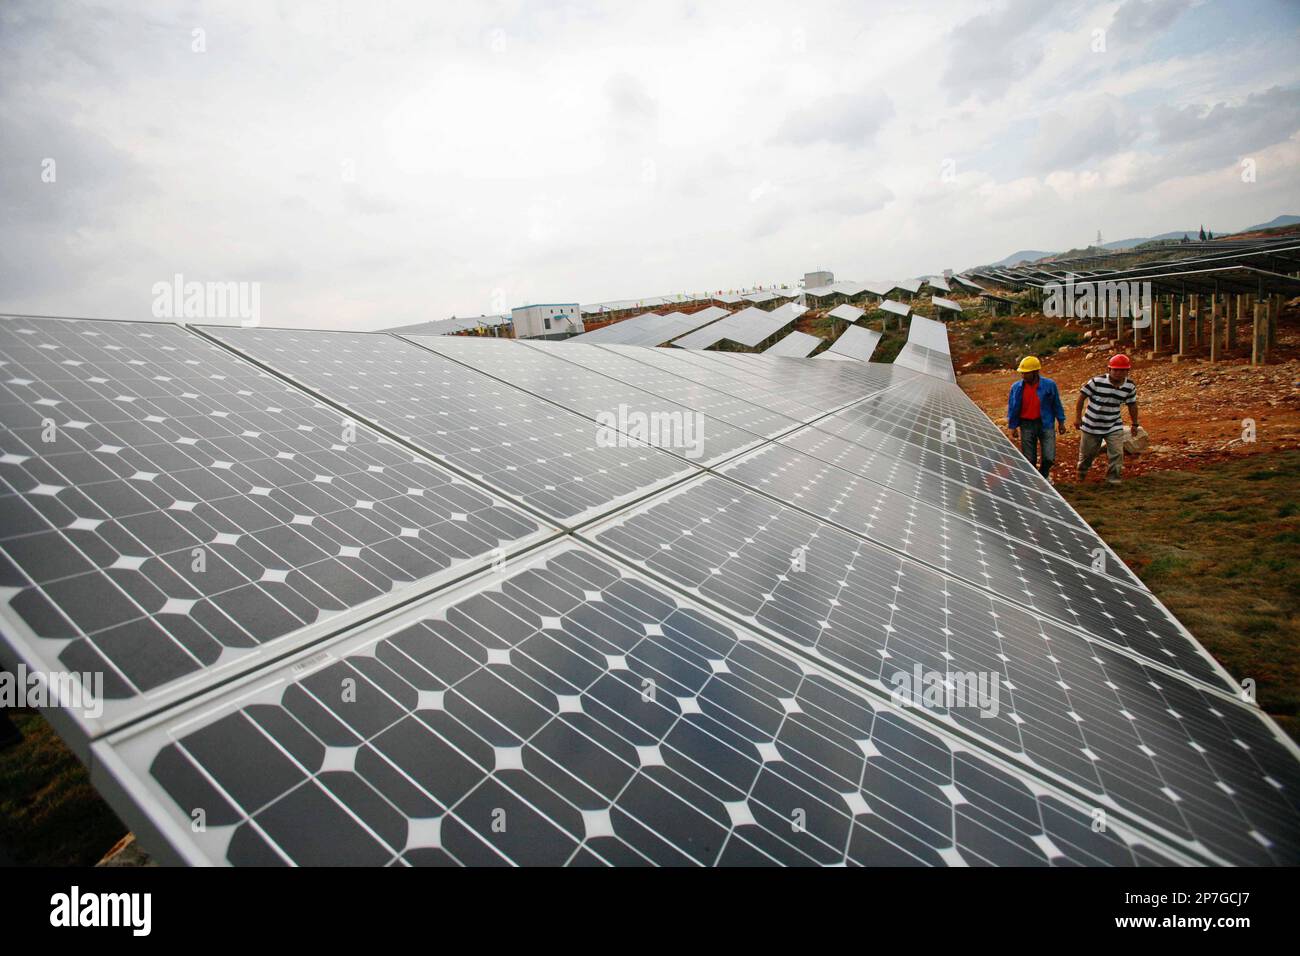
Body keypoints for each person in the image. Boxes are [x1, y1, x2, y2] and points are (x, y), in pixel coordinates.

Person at [1074, 354, 1139, 485]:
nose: (1118, 373)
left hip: (1113, 424)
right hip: (1091, 424)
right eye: (1115, 370)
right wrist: (1077, 418)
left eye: (1122, 370)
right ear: (1109, 369)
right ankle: (1081, 475)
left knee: (1117, 453)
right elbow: (1081, 398)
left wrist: (1135, 423)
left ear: (1127, 371)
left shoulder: (1129, 386)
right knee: (1088, 455)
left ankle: (1113, 480)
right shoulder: (1096, 382)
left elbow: (1132, 404)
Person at [1006, 356, 1065, 479]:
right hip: (1026, 424)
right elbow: (1012, 407)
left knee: (1049, 457)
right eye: (1022, 373)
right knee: (1029, 459)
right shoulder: (1016, 387)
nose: (1023, 375)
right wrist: (1012, 426)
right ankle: (1035, 481)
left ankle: (1043, 476)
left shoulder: (1049, 385)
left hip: (1045, 423)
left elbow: (1056, 403)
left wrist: (1061, 421)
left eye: (1026, 373)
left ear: (1035, 372)